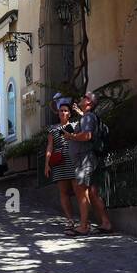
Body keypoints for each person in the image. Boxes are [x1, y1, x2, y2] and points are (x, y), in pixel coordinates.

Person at [65, 92, 112, 235]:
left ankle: (84, 226)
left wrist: (71, 136)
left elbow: (87, 135)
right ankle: (106, 223)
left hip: (84, 160)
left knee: (82, 192)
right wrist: (81, 114)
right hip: (89, 159)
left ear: (89, 103)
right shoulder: (89, 117)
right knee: (92, 193)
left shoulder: (88, 117)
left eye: (85, 97)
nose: (81, 98)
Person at [45, 99, 77, 232]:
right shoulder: (53, 129)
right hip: (59, 162)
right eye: (61, 111)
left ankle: (84, 221)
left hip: (74, 160)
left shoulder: (76, 125)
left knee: (79, 191)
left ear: (69, 113)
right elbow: (50, 146)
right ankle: (69, 220)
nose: (63, 113)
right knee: (63, 193)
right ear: (58, 113)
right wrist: (47, 164)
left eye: (65, 111)